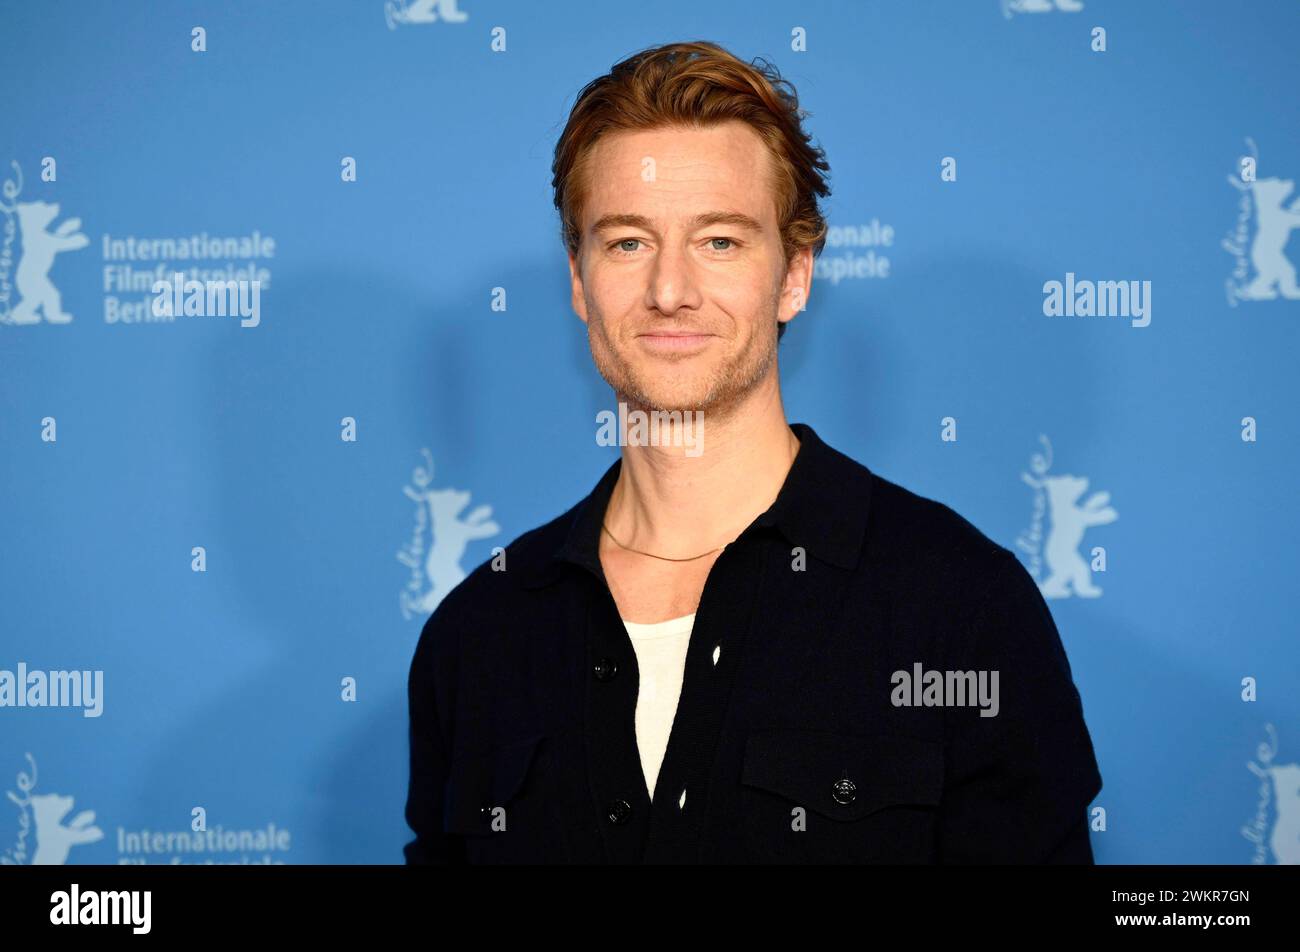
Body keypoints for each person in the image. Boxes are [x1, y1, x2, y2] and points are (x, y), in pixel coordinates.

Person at [403, 40, 1102, 864]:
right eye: (628, 242)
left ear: (796, 275)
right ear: (579, 281)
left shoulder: (960, 606)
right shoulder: (479, 632)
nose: (669, 290)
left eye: (720, 242)